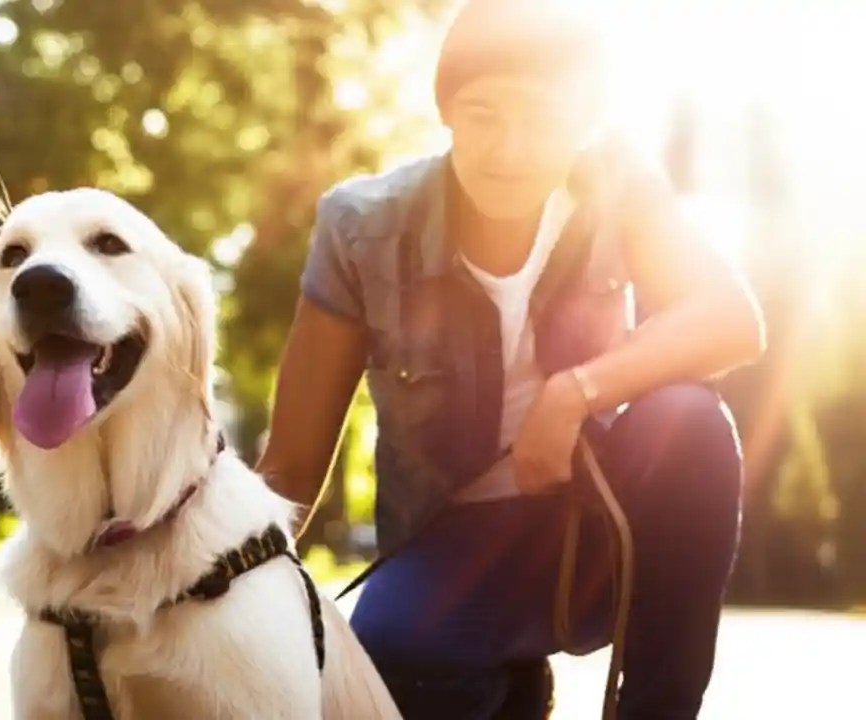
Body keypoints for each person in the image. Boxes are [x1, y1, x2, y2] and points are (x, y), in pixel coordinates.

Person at [256, 0, 766, 717]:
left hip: (595, 525)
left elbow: (732, 320)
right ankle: (510, 689)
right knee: (395, 650)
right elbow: (291, 472)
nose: (508, 149)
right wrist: (215, 591)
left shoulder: (618, 190)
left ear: (584, 122)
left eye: (542, 120)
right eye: (483, 114)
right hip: (450, 548)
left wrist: (576, 392)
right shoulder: (361, 228)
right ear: (446, 114)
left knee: (690, 420)